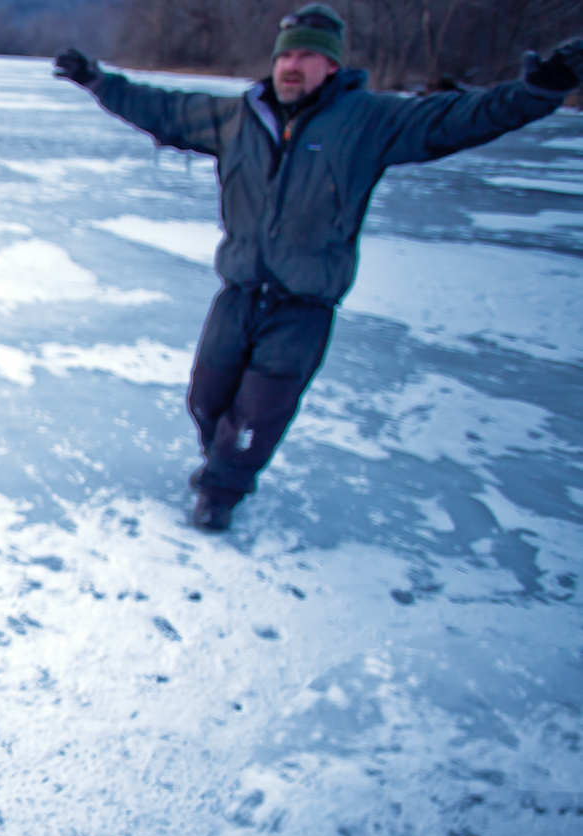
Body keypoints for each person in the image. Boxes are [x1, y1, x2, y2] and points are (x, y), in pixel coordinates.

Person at [53, 5, 583, 531]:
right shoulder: (239, 117)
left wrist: (538, 92)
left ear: (331, 66)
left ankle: (221, 492)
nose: (291, 65)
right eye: (286, 54)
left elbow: (457, 119)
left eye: (307, 55)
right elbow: (161, 109)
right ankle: (223, 462)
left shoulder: (370, 121)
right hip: (237, 294)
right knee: (206, 398)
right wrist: (98, 80)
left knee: (258, 414)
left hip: (302, 304)